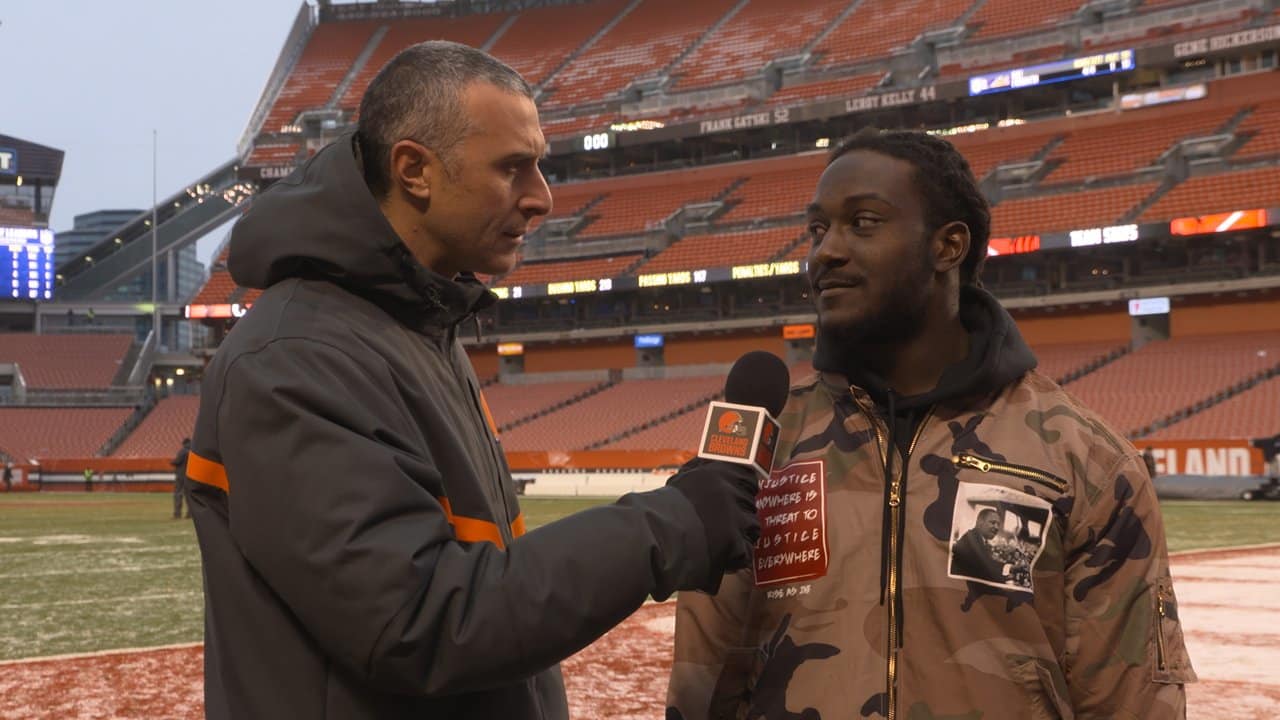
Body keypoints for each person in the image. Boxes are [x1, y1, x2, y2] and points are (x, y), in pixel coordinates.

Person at [185, 41, 760, 720]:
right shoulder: (296, 356)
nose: (542, 198)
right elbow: (422, 621)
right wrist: (669, 526)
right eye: (513, 168)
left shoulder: (416, 327)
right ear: (414, 170)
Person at [667, 128, 1195, 720]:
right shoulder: (765, 445)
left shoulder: (1087, 462)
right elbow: (704, 678)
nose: (825, 251)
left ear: (948, 247)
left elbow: (1130, 701)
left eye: (863, 222)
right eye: (817, 229)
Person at [949, 508, 1010, 584]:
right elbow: (984, 569)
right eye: (993, 523)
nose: (996, 527)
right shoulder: (971, 540)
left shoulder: (980, 540)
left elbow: (989, 562)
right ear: (980, 522)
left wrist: (1010, 568)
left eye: (998, 524)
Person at [170, 438, 191, 519]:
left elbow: (177, 461)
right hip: (190, 476)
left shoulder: (183, 451)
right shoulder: (194, 451)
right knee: (189, 495)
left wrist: (172, 462)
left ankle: (177, 513)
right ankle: (190, 514)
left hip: (181, 476)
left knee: (178, 494)